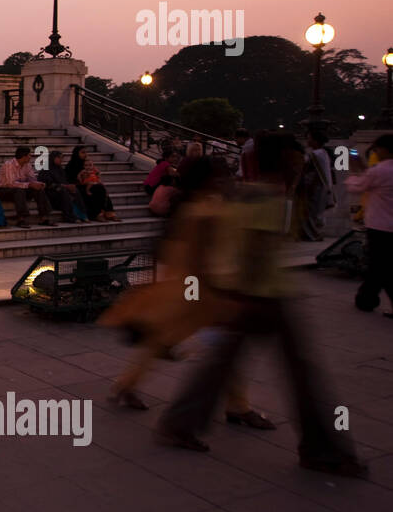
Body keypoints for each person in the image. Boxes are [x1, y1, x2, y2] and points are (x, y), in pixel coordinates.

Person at [156, 132, 367, 477]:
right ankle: (322, 448)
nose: (300, 169)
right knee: (299, 372)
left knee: (224, 365)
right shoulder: (268, 198)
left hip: (253, 292)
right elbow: (254, 250)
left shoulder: (251, 193)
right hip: (261, 295)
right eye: (296, 163)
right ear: (285, 163)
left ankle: (181, 422)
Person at [103, 157, 271, 426]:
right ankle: (235, 407)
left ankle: (126, 386)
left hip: (194, 288)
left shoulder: (204, 205)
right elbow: (192, 255)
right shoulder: (199, 211)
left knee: (165, 342)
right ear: (205, 181)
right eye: (218, 177)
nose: (224, 181)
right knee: (220, 346)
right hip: (198, 289)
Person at [348, 134, 393, 316]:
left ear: (385, 150)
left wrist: (355, 171)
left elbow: (356, 186)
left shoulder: (380, 170)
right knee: (382, 265)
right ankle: (366, 298)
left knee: (379, 265)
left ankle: (366, 299)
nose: (375, 152)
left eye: (377, 149)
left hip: (380, 225)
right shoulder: (379, 171)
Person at [0, 146, 57, 228]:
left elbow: (32, 179)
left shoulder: (27, 165)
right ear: (24, 156)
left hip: (21, 189)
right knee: (19, 190)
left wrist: (38, 184)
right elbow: (11, 183)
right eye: (29, 155)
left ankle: (44, 218)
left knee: (38, 190)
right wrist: (29, 184)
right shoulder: (9, 164)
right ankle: (21, 219)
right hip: (3, 190)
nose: (30, 157)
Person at [298, 129, 334, 241]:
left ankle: (312, 235)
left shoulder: (316, 154)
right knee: (315, 212)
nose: (307, 141)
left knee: (311, 213)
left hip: (316, 187)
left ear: (315, 141)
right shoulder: (323, 153)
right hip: (321, 187)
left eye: (309, 138)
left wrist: (310, 187)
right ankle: (313, 234)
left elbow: (315, 173)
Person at [38, 151, 88, 223]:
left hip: (62, 191)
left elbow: (64, 181)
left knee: (75, 190)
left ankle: (82, 215)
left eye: (62, 158)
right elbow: (47, 184)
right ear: (53, 158)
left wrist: (70, 186)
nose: (61, 160)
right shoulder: (45, 170)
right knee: (63, 191)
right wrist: (64, 186)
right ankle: (70, 217)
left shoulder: (60, 169)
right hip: (51, 195)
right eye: (59, 158)